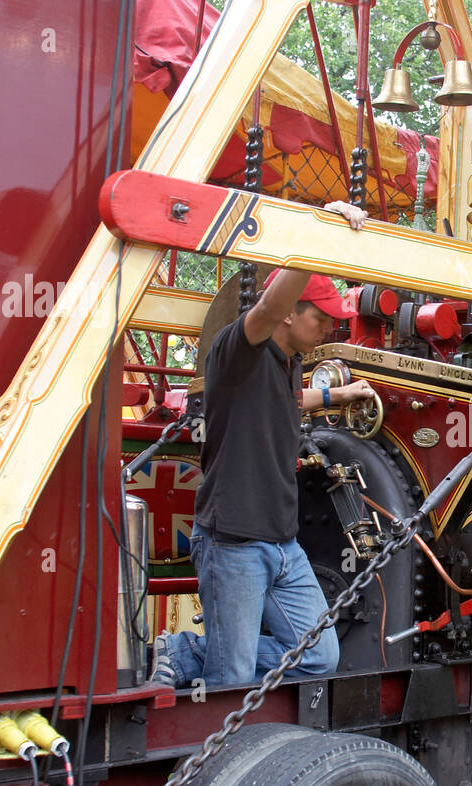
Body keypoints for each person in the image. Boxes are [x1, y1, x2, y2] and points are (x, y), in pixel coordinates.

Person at [153, 200, 375, 688]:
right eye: (322, 317)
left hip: (283, 544)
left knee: (320, 657)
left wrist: (337, 394)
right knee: (232, 677)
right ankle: (192, 656)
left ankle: (195, 654)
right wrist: (318, 233)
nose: (330, 327)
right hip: (234, 542)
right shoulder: (239, 350)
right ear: (290, 316)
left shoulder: (288, 361)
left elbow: (288, 401)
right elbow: (269, 304)